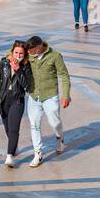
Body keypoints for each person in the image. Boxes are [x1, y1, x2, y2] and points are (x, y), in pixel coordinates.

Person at [24, 35, 70, 166]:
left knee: (54, 123)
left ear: (38, 48)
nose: (29, 53)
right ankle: (38, 154)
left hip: (50, 96)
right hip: (34, 96)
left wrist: (65, 95)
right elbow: (15, 52)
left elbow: (64, 75)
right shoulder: (29, 55)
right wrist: (10, 56)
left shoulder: (55, 55)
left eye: (31, 51)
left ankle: (59, 138)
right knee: (34, 124)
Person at [0, 40, 33, 169]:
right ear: (12, 52)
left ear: (25, 55)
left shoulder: (26, 66)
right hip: (3, 99)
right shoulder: (3, 63)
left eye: (21, 53)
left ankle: (9, 156)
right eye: (16, 52)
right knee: (7, 128)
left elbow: (27, 86)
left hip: (18, 100)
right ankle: (14, 145)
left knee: (14, 129)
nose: (18, 55)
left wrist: (18, 70)